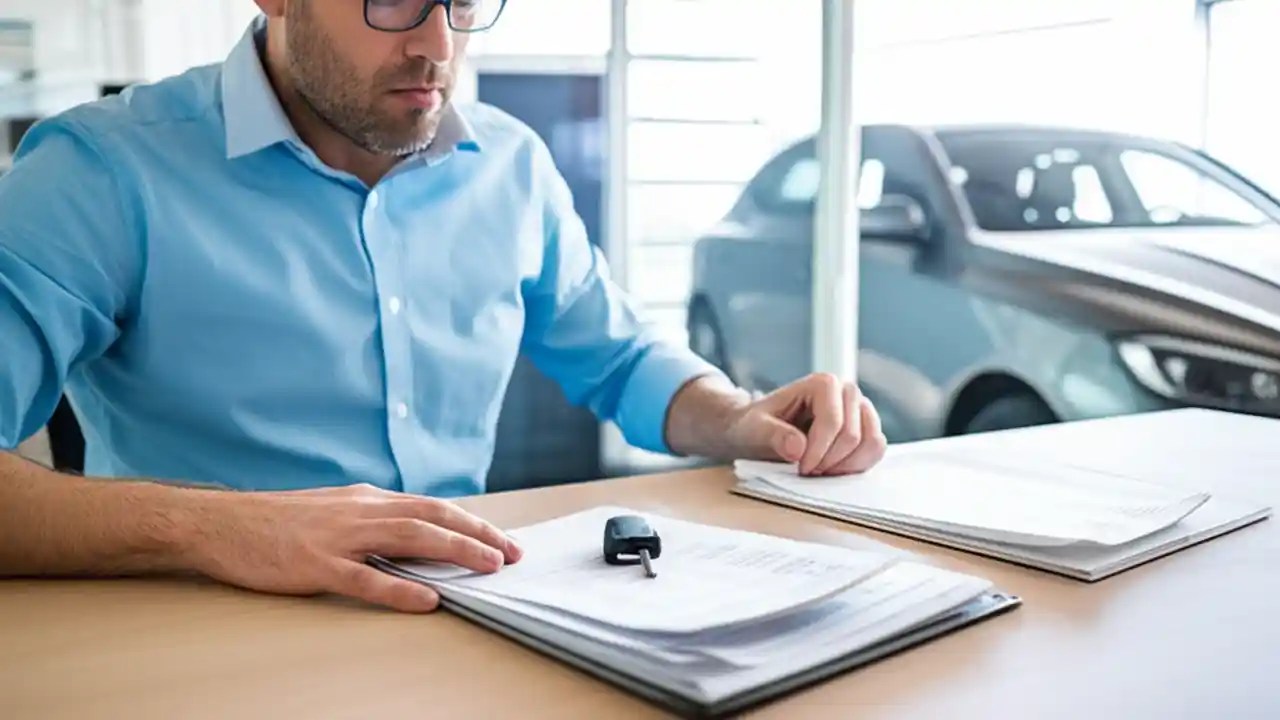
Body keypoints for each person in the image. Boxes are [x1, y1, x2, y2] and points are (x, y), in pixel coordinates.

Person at [0, 0, 887, 613]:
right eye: (392, 1)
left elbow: (616, 357)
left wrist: (740, 418)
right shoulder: (100, 172)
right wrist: (221, 529)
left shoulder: (512, 163)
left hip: (478, 615)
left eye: (463, 2)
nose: (438, 44)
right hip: (201, 639)